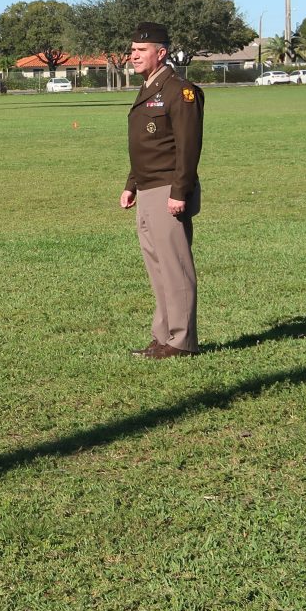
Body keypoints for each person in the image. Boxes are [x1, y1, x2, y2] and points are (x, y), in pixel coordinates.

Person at [119, 22, 204, 359]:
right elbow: (145, 146)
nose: (133, 56)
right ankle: (163, 336)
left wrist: (180, 191)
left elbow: (188, 147)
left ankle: (181, 341)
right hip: (148, 188)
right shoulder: (149, 88)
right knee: (158, 268)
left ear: (161, 52)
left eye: (140, 51)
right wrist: (131, 185)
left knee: (175, 267)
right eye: (133, 51)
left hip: (169, 189)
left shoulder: (180, 91)